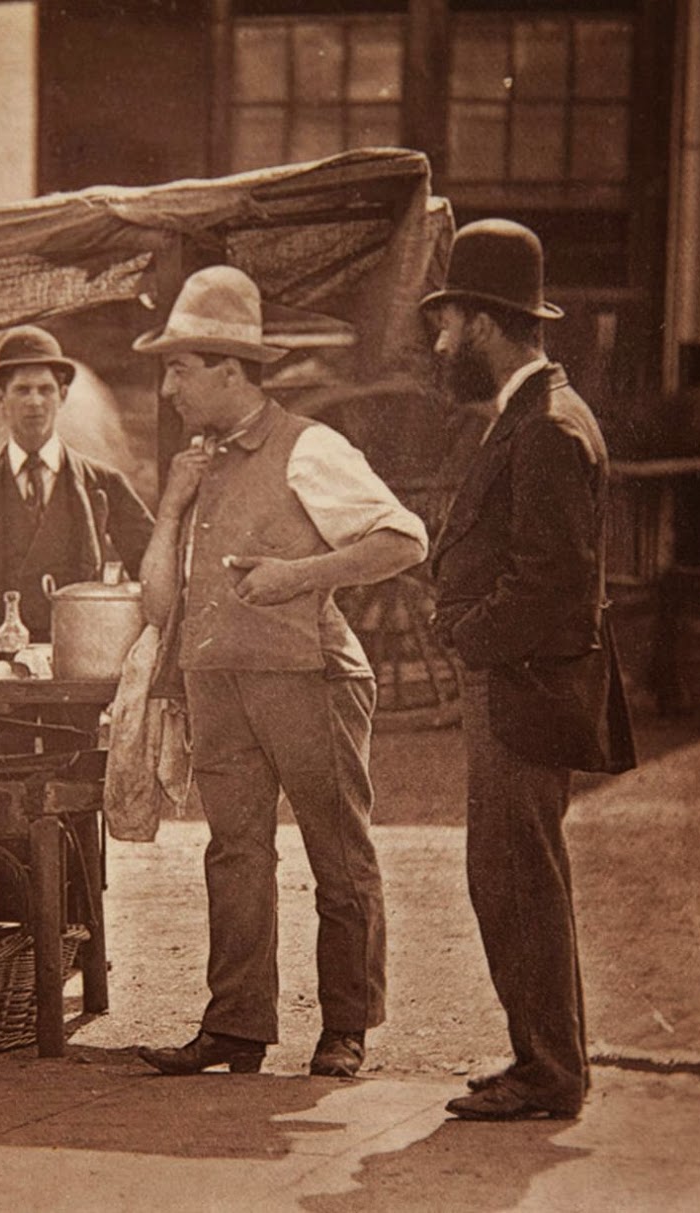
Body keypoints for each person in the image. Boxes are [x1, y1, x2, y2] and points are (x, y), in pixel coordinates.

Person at [132, 265, 428, 1079]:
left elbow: (406, 540)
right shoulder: (194, 463)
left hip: (309, 676)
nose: (168, 389)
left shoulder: (311, 446)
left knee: (338, 851)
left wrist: (298, 577)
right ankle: (235, 1027)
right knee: (234, 853)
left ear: (231, 369)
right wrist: (170, 505)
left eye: (180, 369)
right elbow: (158, 606)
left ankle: (346, 1027)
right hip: (217, 681)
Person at [422, 219, 636, 1120]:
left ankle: (549, 1067)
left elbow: (551, 589)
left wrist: (467, 633)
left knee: (517, 874)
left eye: (448, 322)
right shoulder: (535, 410)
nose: (439, 344)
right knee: (510, 872)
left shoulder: (546, 425)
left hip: (522, 687)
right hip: (521, 684)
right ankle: (543, 1056)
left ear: (483, 321)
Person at [0, 326, 154, 645]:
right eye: (22, 390)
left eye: (46, 390)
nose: (35, 402)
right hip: (4, 666)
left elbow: (152, 568)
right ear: (0, 397)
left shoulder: (103, 483)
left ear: (63, 395)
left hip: (81, 659)